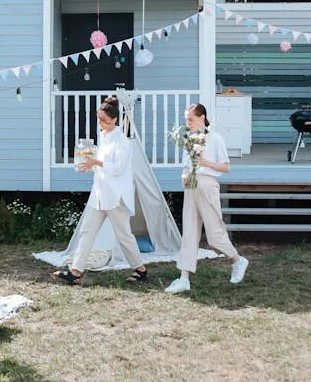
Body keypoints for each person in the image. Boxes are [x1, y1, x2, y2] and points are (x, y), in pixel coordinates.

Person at [53, 96, 149, 285]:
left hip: (115, 196)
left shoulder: (123, 141)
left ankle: (140, 269)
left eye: (104, 120)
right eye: (98, 118)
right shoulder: (103, 137)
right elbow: (102, 166)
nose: (100, 123)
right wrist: (90, 165)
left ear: (114, 120)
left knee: (124, 235)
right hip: (99, 193)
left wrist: (96, 162)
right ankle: (76, 271)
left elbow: (119, 168)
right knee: (87, 231)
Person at [165, 103, 249, 293]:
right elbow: (187, 165)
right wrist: (184, 176)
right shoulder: (189, 139)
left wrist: (205, 162)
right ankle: (183, 278)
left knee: (214, 234)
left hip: (208, 185)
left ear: (202, 117)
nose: (187, 123)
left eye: (190, 119)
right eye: (186, 119)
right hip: (192, 187)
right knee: (189, 233)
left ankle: (238, 260)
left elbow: (226, 167)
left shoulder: (215, 138)